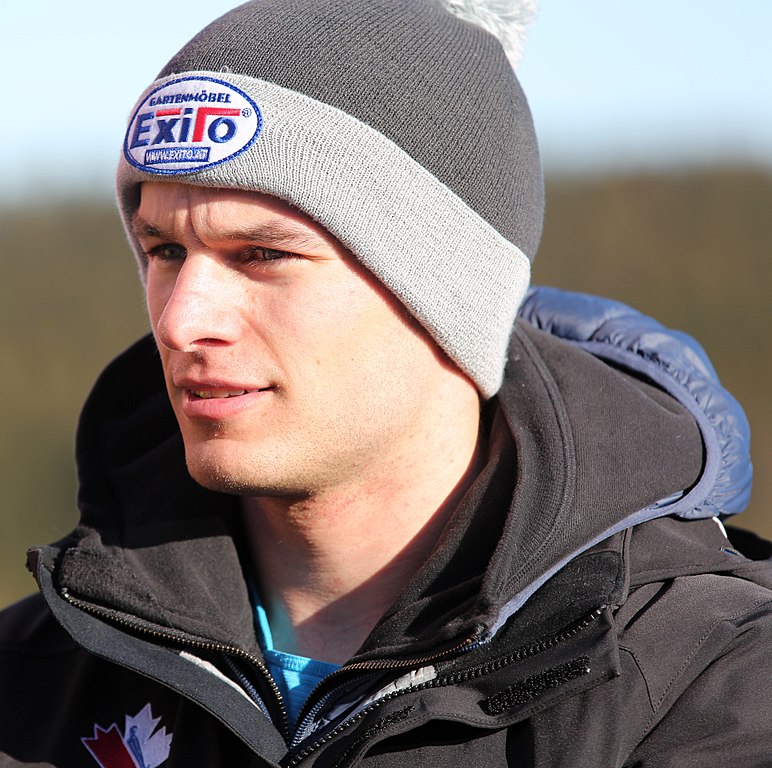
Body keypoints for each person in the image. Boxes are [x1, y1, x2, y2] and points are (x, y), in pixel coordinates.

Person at [1, 1, 770, 765]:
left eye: (263, 255)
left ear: (444, 296)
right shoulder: (30, 686)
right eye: (164, 251)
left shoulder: (707, 685)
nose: (180, 321)